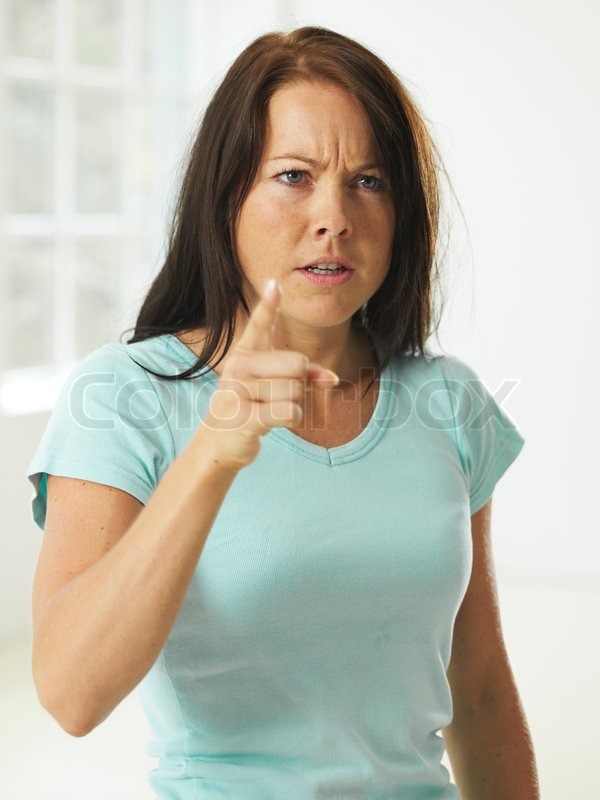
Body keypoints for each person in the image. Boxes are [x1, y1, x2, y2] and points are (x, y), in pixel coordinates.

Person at [27, 26, 539, 800]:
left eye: (369, 182)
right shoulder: (123, 397)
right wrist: (214, 450)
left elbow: (481, 692)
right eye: (294, 176)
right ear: (226, 195)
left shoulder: (450, 402)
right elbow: (71, 694)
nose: (333, 215)